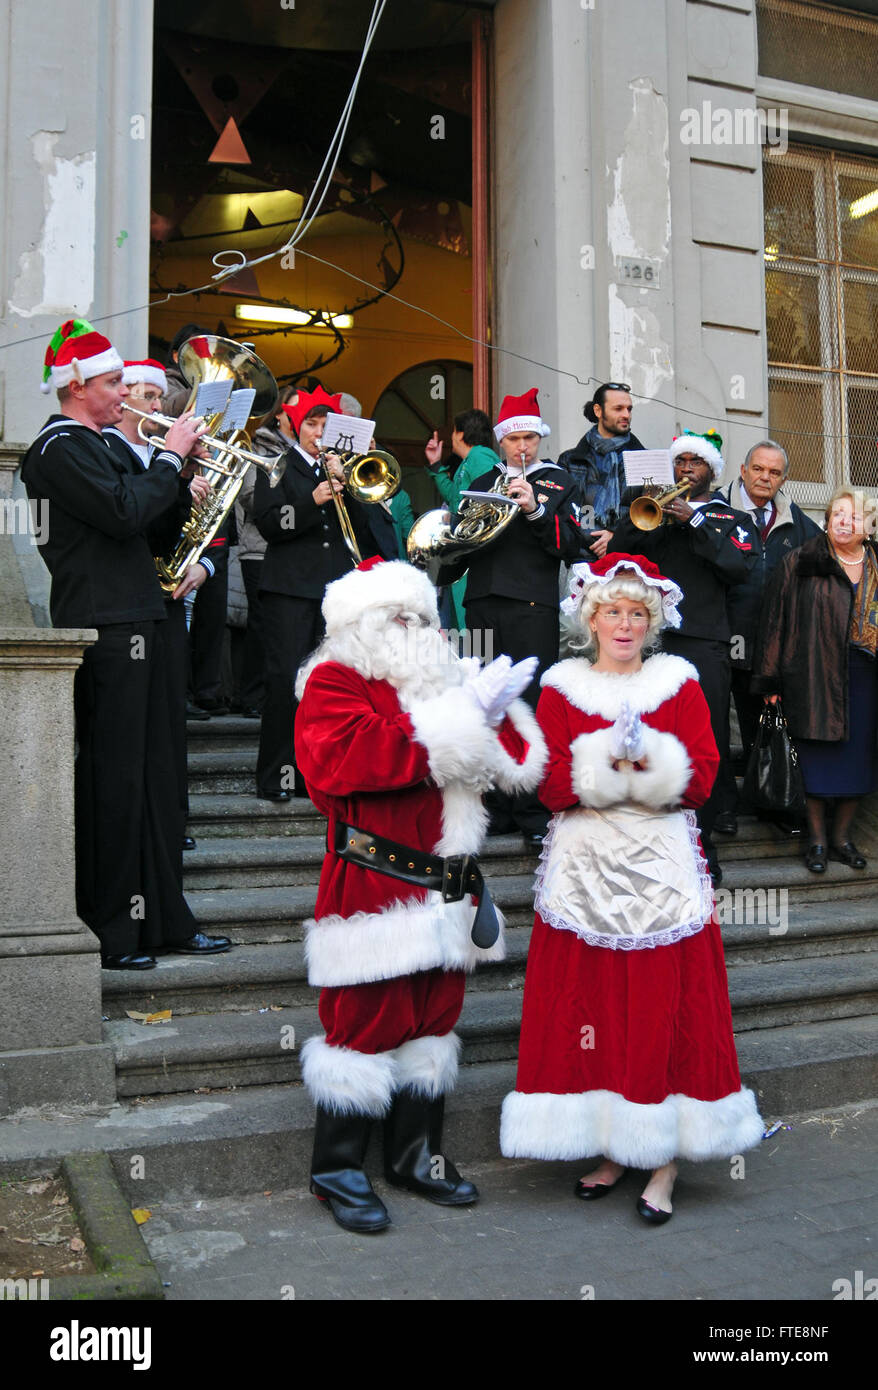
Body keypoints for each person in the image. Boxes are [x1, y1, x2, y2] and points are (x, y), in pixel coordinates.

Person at [500, 553, 764, 1223]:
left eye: (637, 613)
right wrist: (600, 768)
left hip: (659, 868)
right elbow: (552, 786)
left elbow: (703, 777)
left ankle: (665, 1160)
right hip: (585, 871)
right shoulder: (561, 689)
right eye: (612, 611)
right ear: (590, 618)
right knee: (595, 1009)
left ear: (653, 622)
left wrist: (649, 768)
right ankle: (614, 1145)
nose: (624, 624)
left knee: (661, 1006)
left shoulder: (678, 682)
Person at [294, 555, 547, 1233]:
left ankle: (416, 1155)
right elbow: (341, 759)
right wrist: (452, 728)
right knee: (363, 1021)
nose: (410, 628)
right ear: (358, 623)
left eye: (419, 616)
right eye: (394, 617)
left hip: (448, 881)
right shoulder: (334, 680)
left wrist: (495, 714)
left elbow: (514, 767)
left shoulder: (445, 681)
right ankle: (338, 1170)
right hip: (373, 878)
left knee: (434, 1018)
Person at [21, 320, 231, 968]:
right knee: (114, 782)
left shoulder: (107, 444)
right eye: (114, 383)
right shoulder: (57, 449)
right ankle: (114, 932)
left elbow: (151, 528)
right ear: (76, 384)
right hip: (108, 627)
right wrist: (167, 457)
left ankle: (165, 918)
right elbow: (118, 511)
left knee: (157, 780)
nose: (127, 396)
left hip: (147, 618)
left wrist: (185, 471)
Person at [611, 429, 755, 884]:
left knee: (702, 744)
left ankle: (702, 846)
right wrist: (643, 514)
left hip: (703, 646)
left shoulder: (728, 519)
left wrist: (693, 520)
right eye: (680, 461)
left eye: (696, 462)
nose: (686, 467)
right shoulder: (653, 515)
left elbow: (739, 567)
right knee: (645, 740)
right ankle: (650, 838)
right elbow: (616, 552)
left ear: (712, 471)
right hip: (650, 645)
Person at [252, 386, 395, 801]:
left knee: (330, 685)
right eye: (311, 424)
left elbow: (373, 532)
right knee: (285, 682)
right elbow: (268, 523)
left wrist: (352, 486)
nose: (318, 432)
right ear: (296, 427)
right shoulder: (276, 465)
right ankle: (278, 777)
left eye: (324, 424)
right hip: (289, 591)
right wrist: (312, 500)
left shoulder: (346, 468)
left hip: (337, 594)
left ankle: (322, 773)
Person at [456, 388, 583, 847]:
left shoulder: (559, 482)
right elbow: (462, 541)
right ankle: (494, 805)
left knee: (528, 705)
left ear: (539, 439)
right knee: (484, 703)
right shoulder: (484, 478)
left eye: (529, 438)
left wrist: (533, 507)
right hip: (483, 601)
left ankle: (531, 809)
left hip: (532, 605)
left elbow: (572, 543)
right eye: (514, 440)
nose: (522, 447)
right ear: (502, 442)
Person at [103, 357, 214, 848]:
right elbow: (133, 518)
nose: (158, 405)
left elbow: (215, 527)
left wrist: (204, 565)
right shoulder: (116, 452)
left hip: (170, 593)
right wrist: (176, 476)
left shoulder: (164, 455)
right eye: (149, 397)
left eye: (157, 397)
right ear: (123, 399)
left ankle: (173, 819)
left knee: (171, 718)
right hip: (133, 602)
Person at [752, 489, 878, 874]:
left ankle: (842, 838)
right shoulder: (800, 562)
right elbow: (775, 622)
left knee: (860, 761)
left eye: (854, 516)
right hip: (813, 675)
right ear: (826, 520)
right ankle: (818, 841)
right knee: (817, 762)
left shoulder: (877, 562)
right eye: (838, 513)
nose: (845, 521)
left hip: (867, 678)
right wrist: (769, 680)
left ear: (868, 527)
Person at [714, 440, 821, 833]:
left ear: (783, 478)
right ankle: (721, 808)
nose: (765, 477)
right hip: (718, 635)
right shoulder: (716, 510)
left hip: (768, 643)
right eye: (758, 469)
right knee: (715, 728)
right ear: (743, 470)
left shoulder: (799, 522)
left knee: (763, 723)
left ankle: (767, 802)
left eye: (774, 472)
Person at [424, 409, 501, 628]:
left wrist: (459, 517)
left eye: (453, 432)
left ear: (460, 434)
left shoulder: (480, 456)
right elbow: (455, 497)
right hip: (463, 550)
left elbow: (488, 499)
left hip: (472, 550)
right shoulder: (469, 461)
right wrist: (436, 466)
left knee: (467, 626)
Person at [557, 382, 646, 558]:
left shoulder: (644, 458)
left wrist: (617, 539)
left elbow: (652, 517)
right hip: (580, 560)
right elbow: (564, 512)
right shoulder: (569, 459)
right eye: (618, 409)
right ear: (598, 411)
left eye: (629, 409)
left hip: (628, 560)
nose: (626, 415)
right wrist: (591, 541)